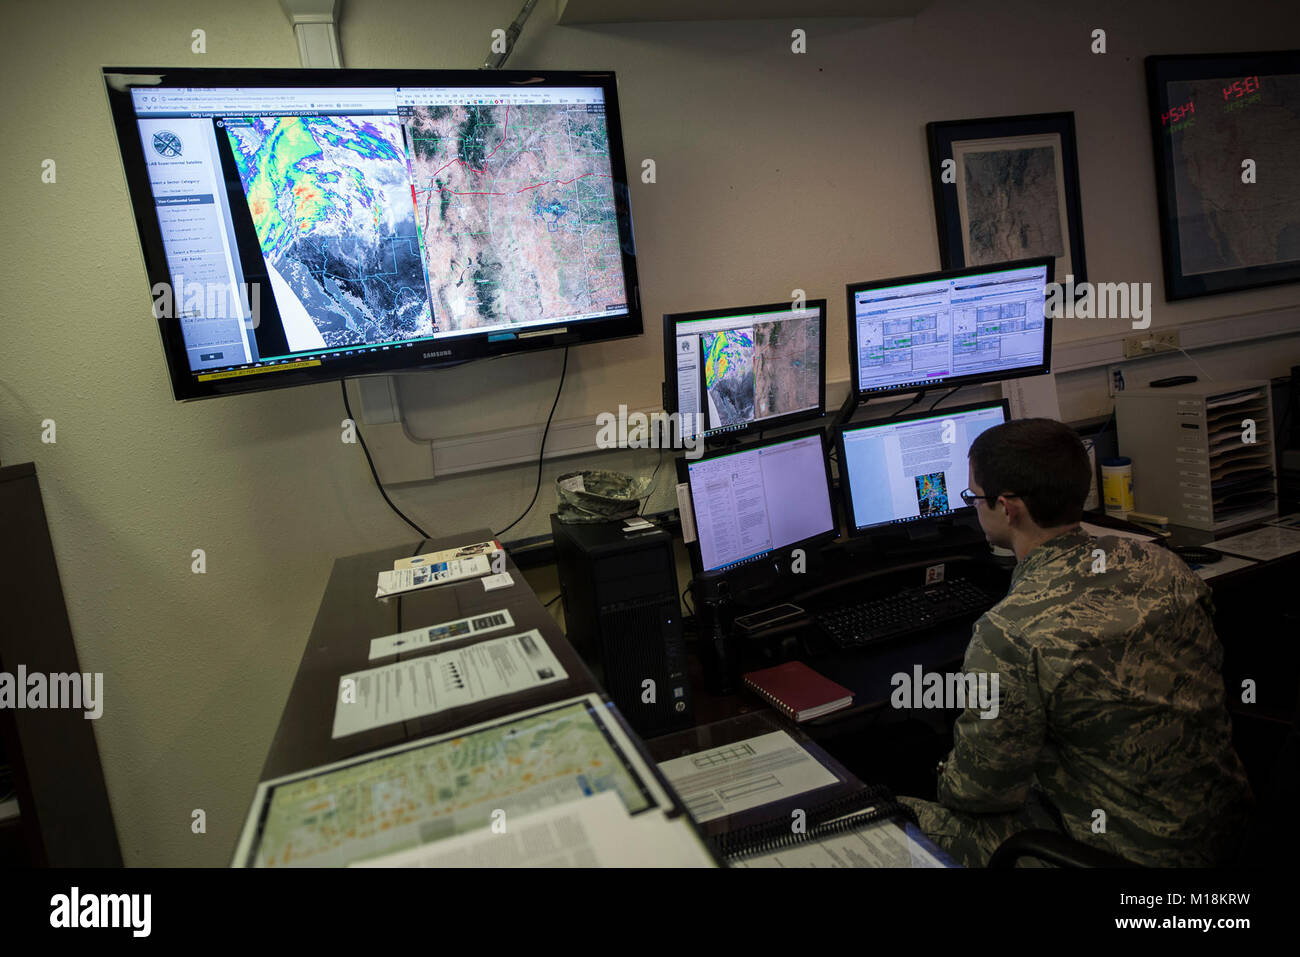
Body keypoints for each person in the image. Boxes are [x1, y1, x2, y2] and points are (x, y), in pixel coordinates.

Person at [900, 418, 1253, 867]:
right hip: (1225, 830)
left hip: (1123, 854)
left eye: (974, 497)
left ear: (1007, 509)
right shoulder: (1165, 566)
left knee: (896, 814)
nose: (974, 506)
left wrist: (942, 769)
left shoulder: (1008, 632)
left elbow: (980, 792)